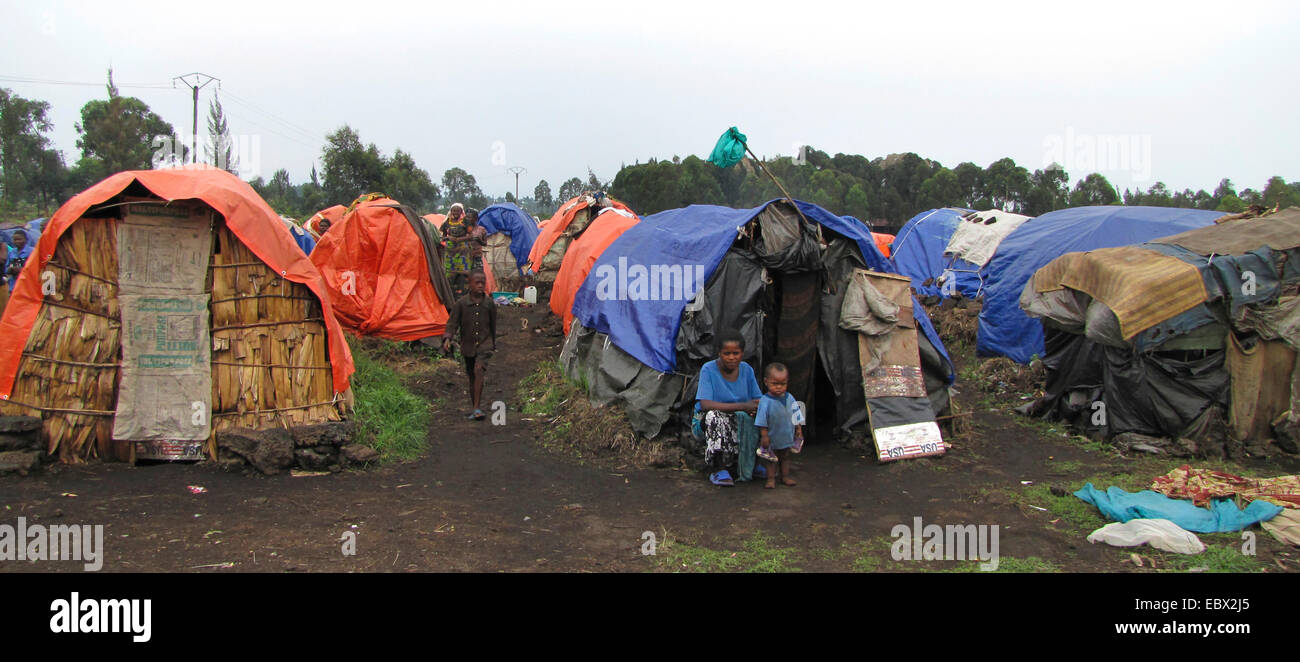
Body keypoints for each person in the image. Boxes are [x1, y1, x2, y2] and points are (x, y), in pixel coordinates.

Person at [695, 330, 762, 486]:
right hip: (709, 422)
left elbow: (757, 399)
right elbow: (705, 405)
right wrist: (743, 406)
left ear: (742, 353)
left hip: (739, 418)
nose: (732, 357)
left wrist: (753, 408)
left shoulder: (746, 370)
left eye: (736, 353)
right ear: (719, 353)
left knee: (766, 413)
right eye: (727, 353)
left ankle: (753, 463)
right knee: (714, 416)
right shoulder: (708, 369)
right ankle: (719, 469)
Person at [442, 271, 497, 420]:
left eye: (482, 283)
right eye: (477, 282)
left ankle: (477, 408)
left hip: (485, 344)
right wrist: (448, 338)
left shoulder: (489, 304)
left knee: (479, 370)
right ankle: (475, 406)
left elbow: (493, 324)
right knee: (472, 375)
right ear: (470, 284)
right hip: (468, 345)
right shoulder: (461, 304)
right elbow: (452, 323)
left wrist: (492, 343)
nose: (480, 285)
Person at [755, 362, 802, 488]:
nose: (779, 387)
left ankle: (785, 476)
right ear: (766, 382)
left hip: (786, 436)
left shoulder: (790, 397)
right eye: (775, 384)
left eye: (783, 384)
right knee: (771, 459)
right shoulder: (765, 401)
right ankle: (771, 479)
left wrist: (798, 428)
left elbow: (796, 414)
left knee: (785, 457)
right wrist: (764, 436)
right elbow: (762, 420)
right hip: (772, 436)